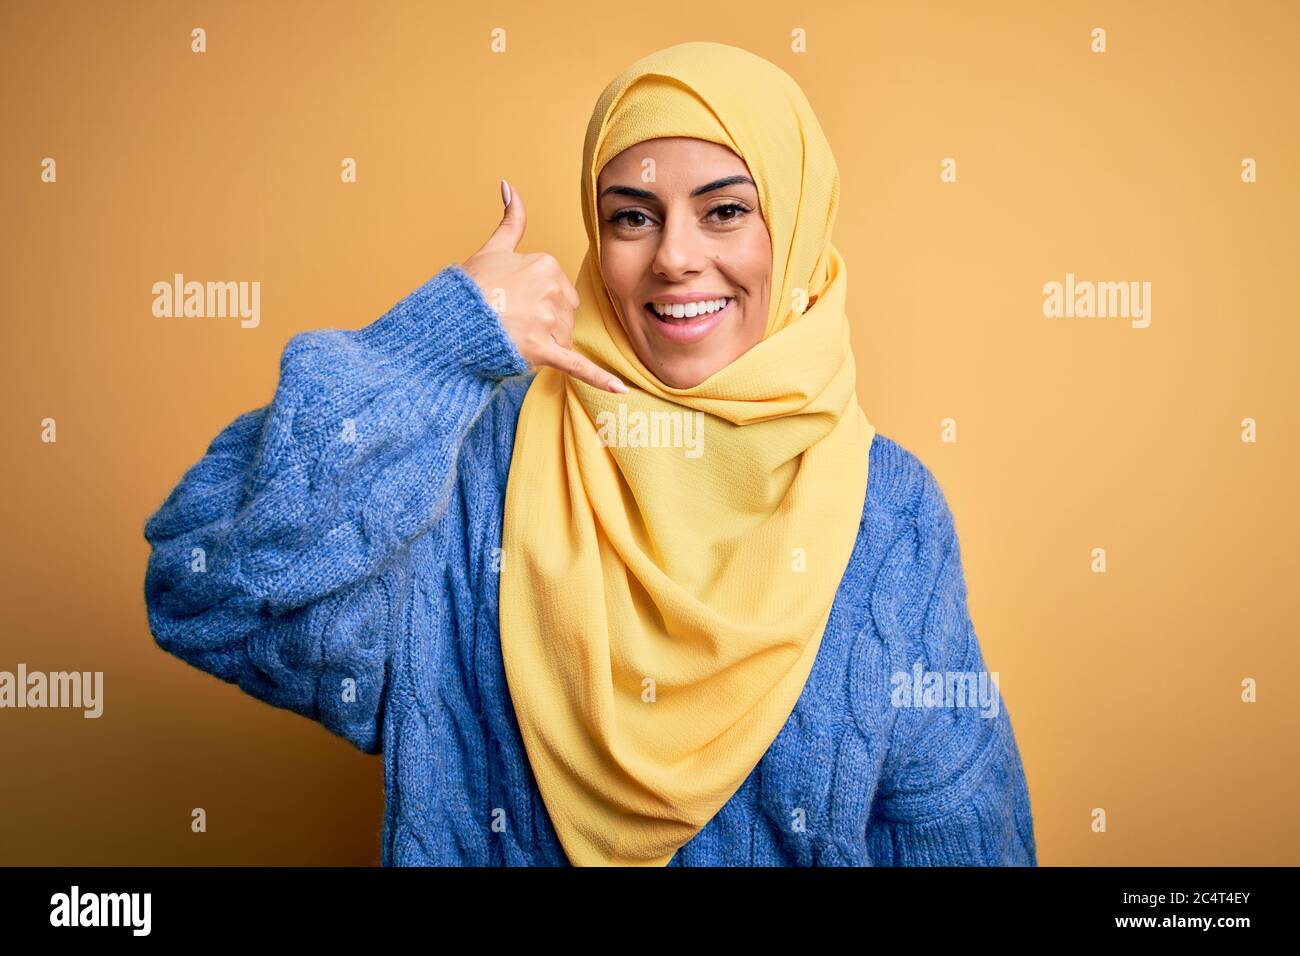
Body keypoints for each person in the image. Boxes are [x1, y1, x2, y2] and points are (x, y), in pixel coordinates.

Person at [142, 41, 1037, 867]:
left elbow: (957, 831)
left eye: (725, 211)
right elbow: (203, 590)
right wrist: (445, 338)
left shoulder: (890, 513)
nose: (676, 258)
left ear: (796, 228)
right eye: (632, 217)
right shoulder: (479, 463)